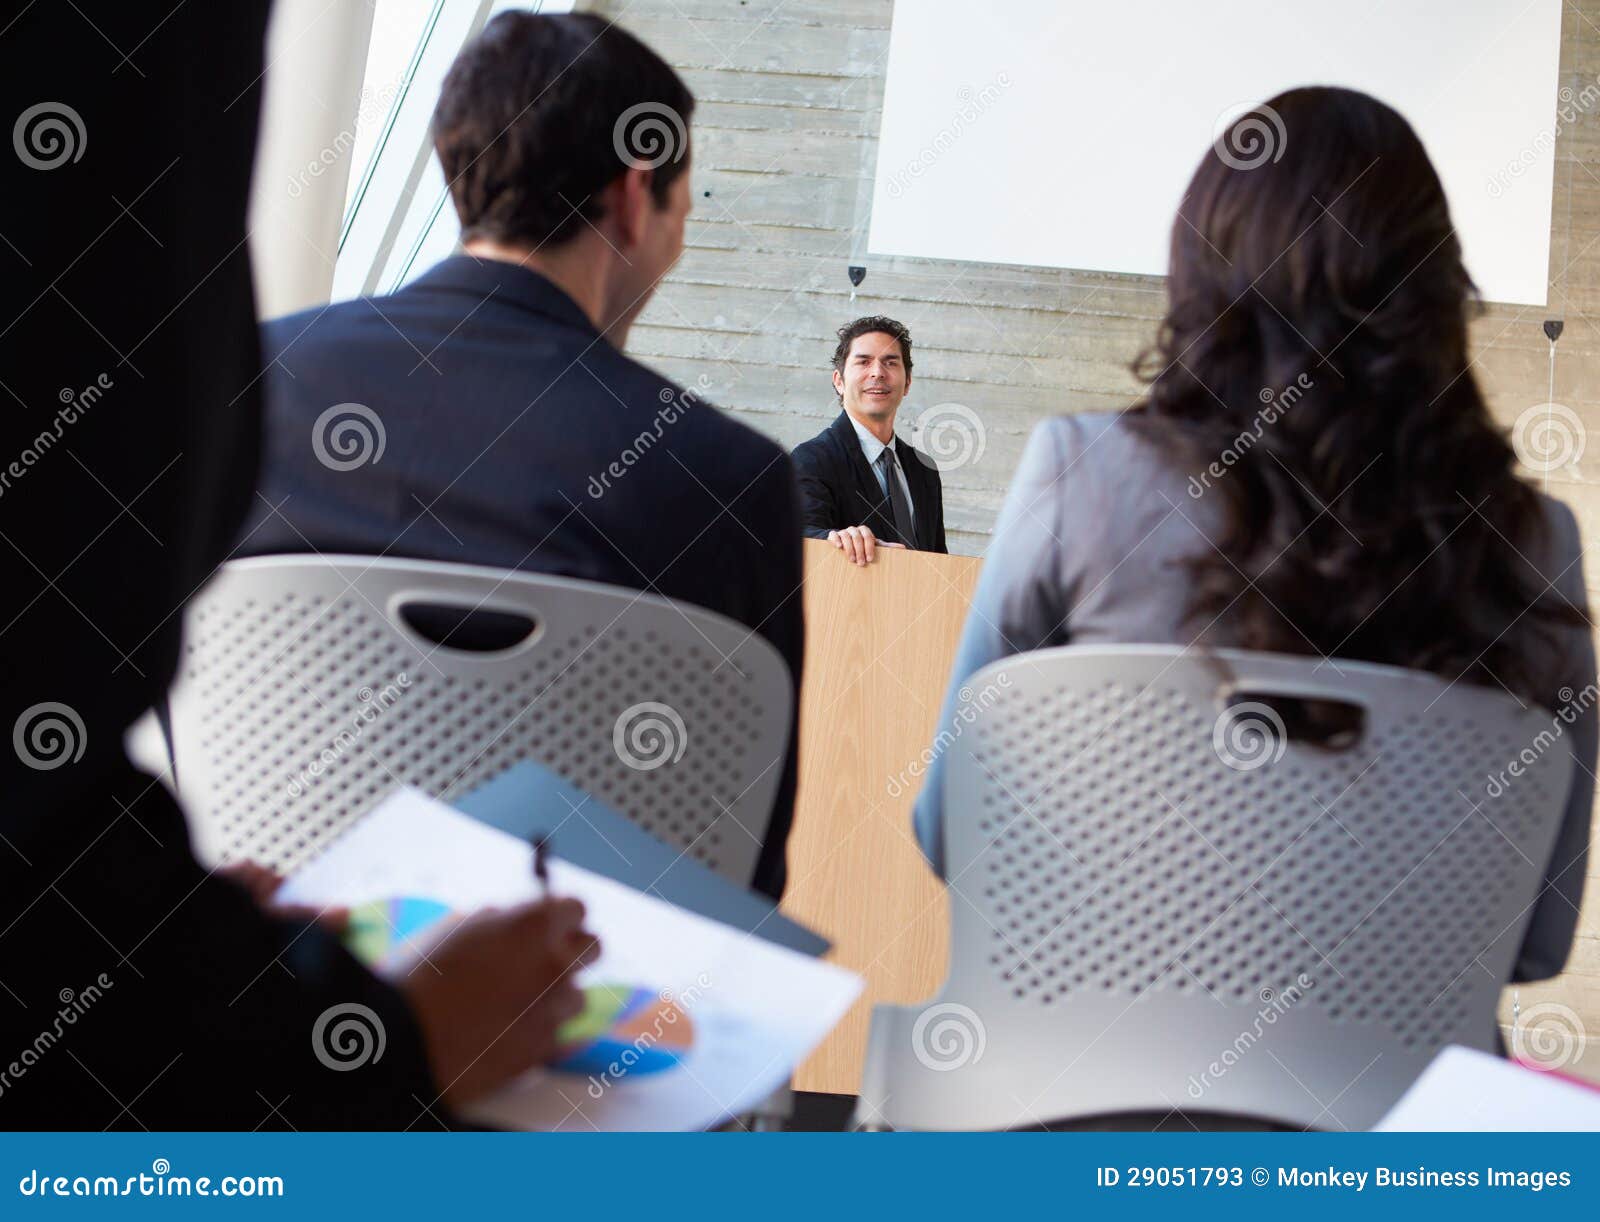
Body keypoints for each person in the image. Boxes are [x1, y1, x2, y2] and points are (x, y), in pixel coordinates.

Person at [0, 2, 598, 1129]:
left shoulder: (284, 363)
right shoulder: (731, 473)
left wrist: (210, 962)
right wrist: (352, 1035)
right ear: (637, 198)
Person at [912, 86, 1594, 989]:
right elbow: (1538, 937)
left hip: (1075, 1094)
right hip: (1400, 1115)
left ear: (1202, 262)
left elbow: (951, 828)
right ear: (1432, 282)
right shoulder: (1536, 539)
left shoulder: (1080, 475)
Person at [237, 13, 803, 898]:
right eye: (682, 212)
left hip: (253, 977)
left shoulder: (246, 384)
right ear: (632, 195)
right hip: (563, 1010)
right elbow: (740, 861)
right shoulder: (727, 481)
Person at [792, 317, 948, 563]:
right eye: (863, 362)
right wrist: (838, 539)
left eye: (890, 362)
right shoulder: (811, 460)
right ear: (839, 381)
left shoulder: (923, 468)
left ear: (907, 382)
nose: (877, 372)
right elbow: (800, 539)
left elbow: (939, 559)